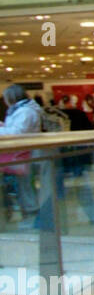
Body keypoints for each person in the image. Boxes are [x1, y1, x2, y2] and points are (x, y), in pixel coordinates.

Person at [1, 83, 42, 218]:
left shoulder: (25, 111)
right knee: (24, 184)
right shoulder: (23, 110)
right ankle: (29, 209)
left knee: (25, 184)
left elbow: (17, 132)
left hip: (24, 153)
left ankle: (31, 210)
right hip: (22, 153)